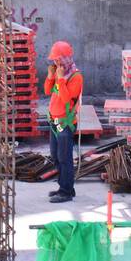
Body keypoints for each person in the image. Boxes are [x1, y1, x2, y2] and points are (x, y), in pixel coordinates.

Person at [43, 41, 83, 203]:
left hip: (65, 123)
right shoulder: (60, 74)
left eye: (58, 60)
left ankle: (66, 192)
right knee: (55, 155)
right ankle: (64, 187)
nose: (55, 63)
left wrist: (60, 79)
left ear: (65, 59)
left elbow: (67, 99)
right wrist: (51, 76)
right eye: (54, 60)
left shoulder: (75, 76)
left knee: (64, 157)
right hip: (55, 122)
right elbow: (47, 91)